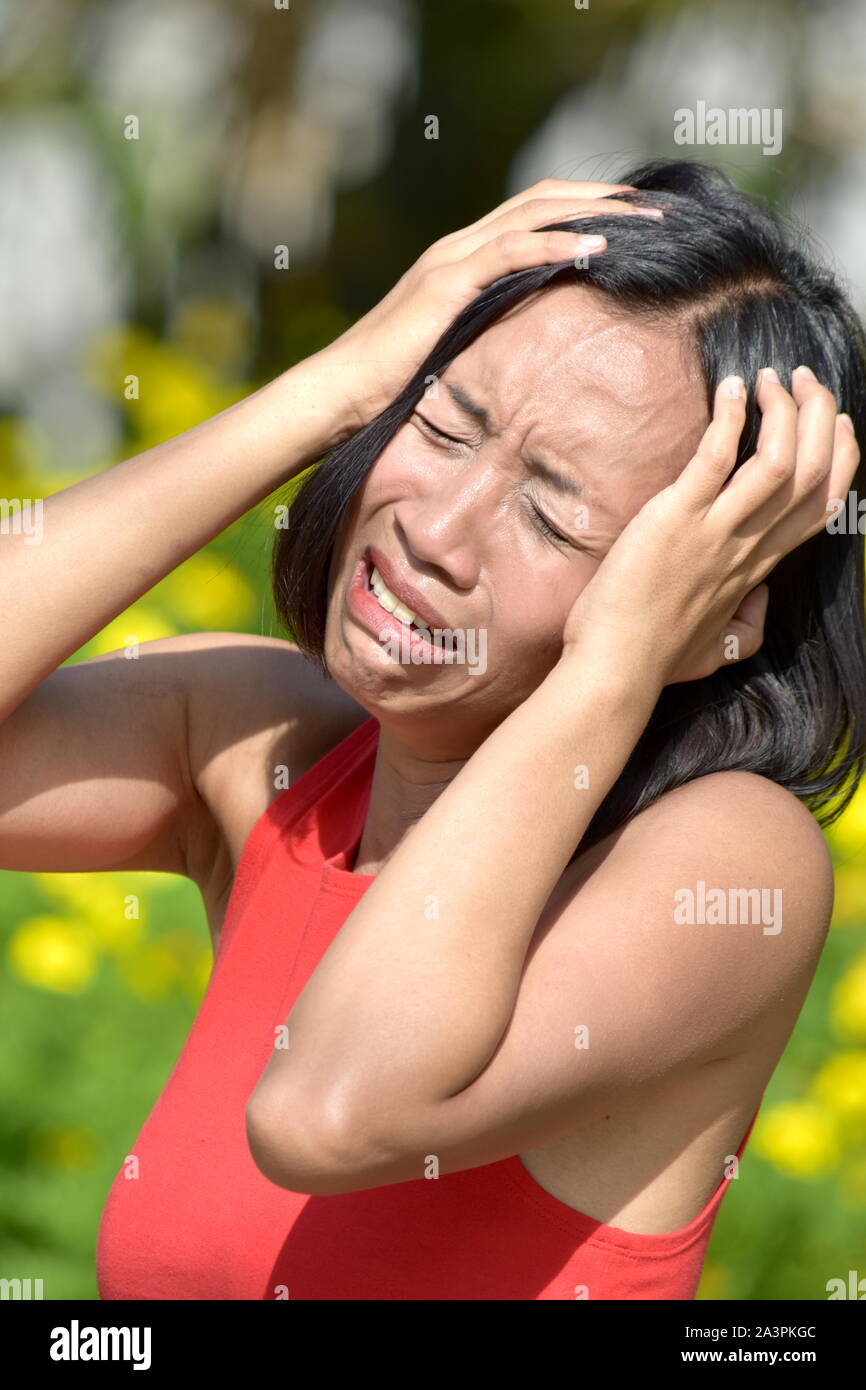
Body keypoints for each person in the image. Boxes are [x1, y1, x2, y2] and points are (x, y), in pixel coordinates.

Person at [3, 158, 863, 1300]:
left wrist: (615, 665)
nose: (437, 534)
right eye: (444, 422)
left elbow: (331, 1109)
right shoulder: (276, 755)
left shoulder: (720, 859)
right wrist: (329, 389)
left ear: (706, 597)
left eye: (553, 513)